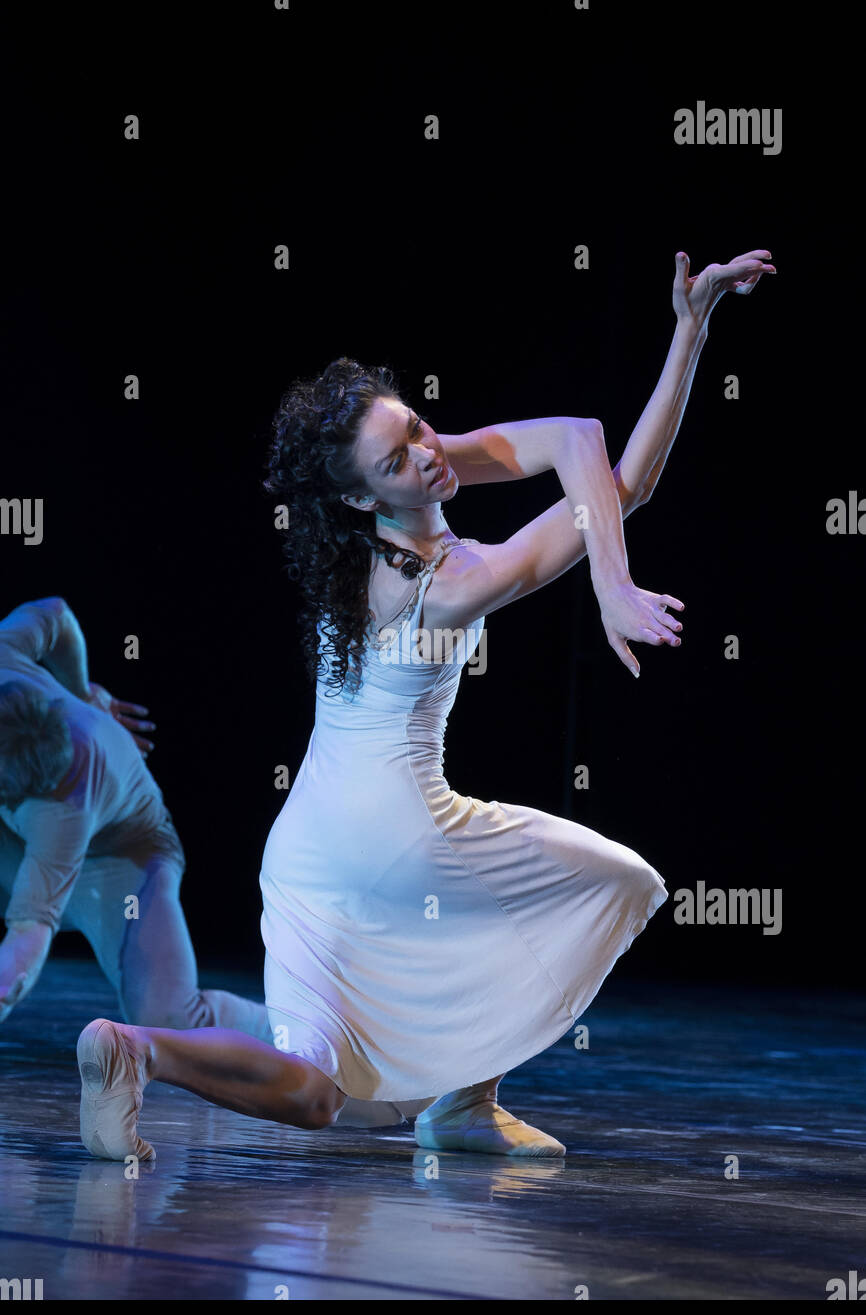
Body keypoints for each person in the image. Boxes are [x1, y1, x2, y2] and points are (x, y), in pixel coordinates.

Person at [75, 248, 776, 1162]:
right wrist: (612, 583)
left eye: (416, 426)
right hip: (404, 836)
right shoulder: (447, 582)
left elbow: (584, 453)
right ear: (363, 495)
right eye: (398, 458)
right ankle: (460, 1104)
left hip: (306, 859)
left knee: (320, 1089)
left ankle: (136, 1052)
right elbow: (605, 478)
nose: (429, 454)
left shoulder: (362, 548)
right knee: (616, 881)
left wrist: (689, 330)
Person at [0, 599, 271, 1040]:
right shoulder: (5, 651)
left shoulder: (63, 806)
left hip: (121, 860)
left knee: (170, 1022)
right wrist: (79, 689)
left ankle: (292, 1032)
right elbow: (55, 613)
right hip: (17, 847)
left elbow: (27, 935)